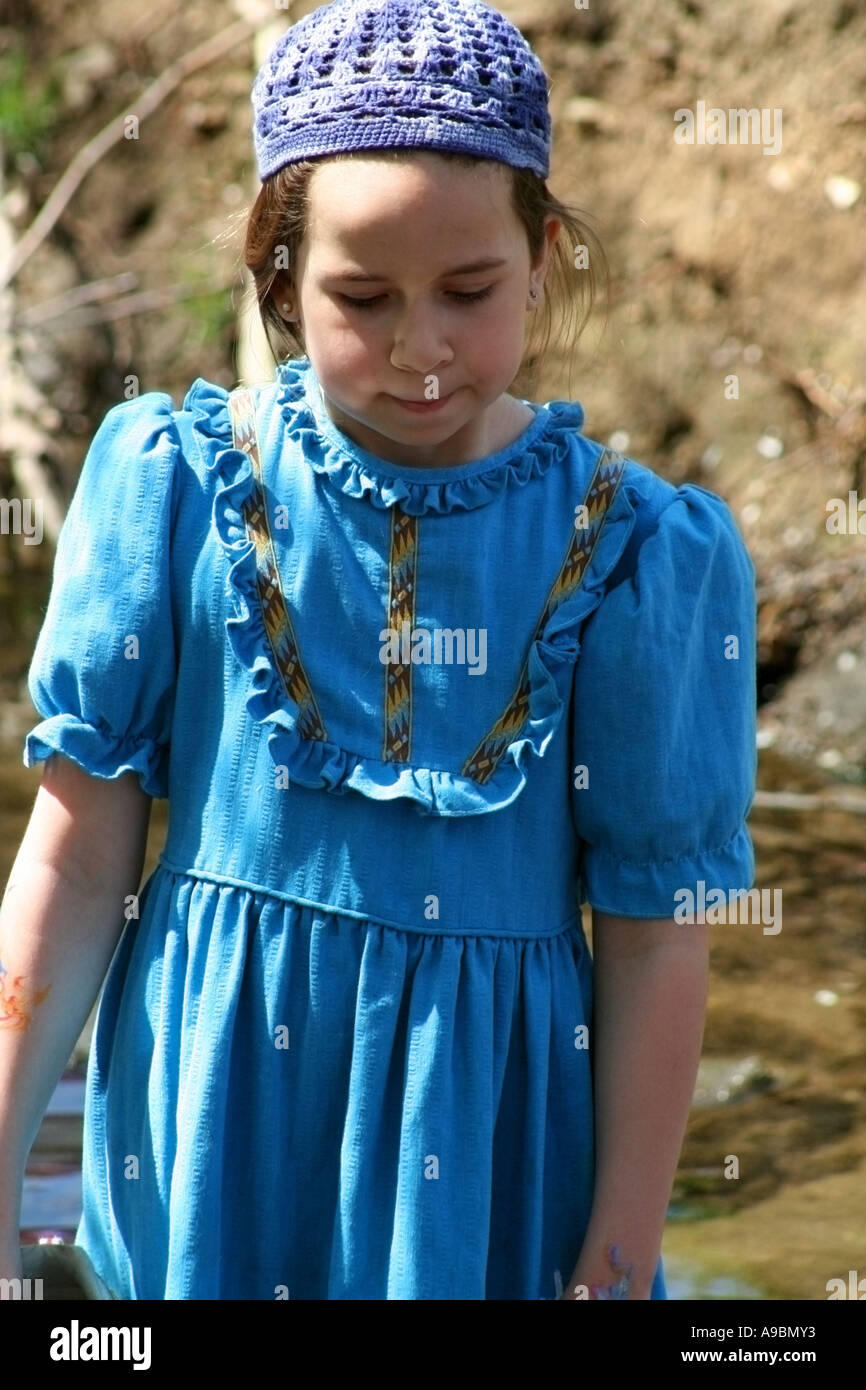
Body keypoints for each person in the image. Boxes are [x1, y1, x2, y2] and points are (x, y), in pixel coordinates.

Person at [0, 0, 757, 1301]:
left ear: (541, 253)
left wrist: (620, 1263)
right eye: (362, 297)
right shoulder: (176, 488)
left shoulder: (630, 550)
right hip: (208, 1140)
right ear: (281, 275)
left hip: (485, 1169)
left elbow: (652, 934)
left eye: (469, 293)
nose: (419, 348)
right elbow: (74, 863)